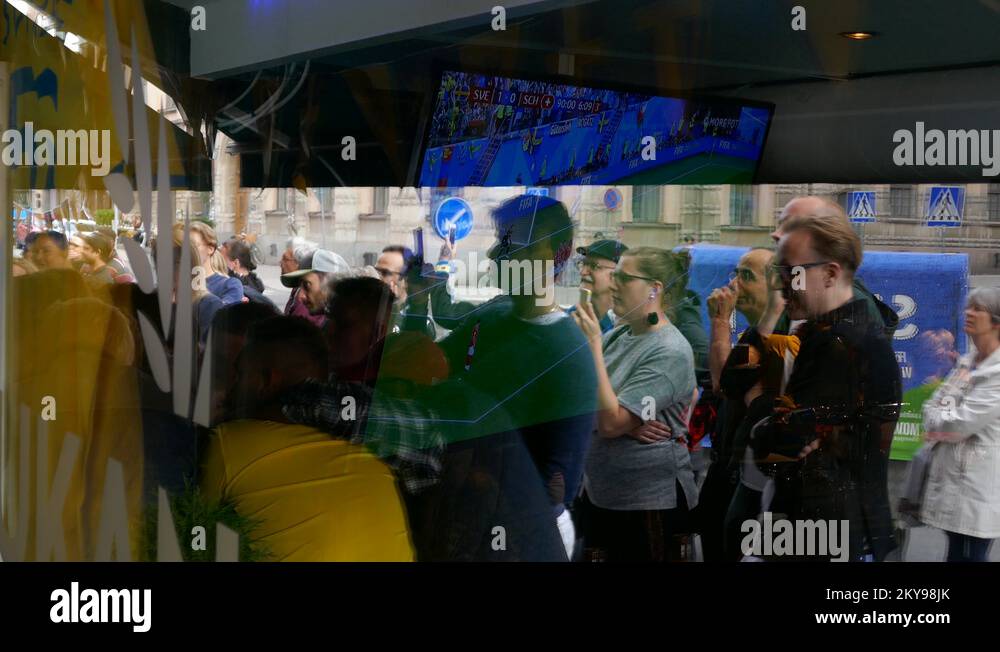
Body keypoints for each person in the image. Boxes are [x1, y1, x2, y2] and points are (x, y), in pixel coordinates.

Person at [747, 214, 902, 562]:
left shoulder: (840, 343)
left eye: (792, 272)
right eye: (779, 272)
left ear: (830, 274)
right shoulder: (832, 331)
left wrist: (763, 424)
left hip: (819, 530)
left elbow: (776, 448)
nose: (782, 283)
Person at [200, 316, 415, 561]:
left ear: (267, 381)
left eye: (240, 375)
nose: (232, 388)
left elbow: (198, 530)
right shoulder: (370, 437)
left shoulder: (229, 442)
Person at [573, 246, 698, 562]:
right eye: (613, 276)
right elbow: (580, 402)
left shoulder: (669, 350)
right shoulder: (621, 334)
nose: (613, 284)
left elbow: (611, 422)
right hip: (604, 496)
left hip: (646, 506)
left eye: (623, 278)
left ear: (654, 289)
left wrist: (592, 347)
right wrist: (627, 425)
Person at [698, 247, 774, 561]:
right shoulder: (753, 334)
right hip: (727, 468)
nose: (734, 285)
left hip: (754, 484)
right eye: (735, 274)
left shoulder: (781, 338)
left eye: (747, 276)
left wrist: (719, 322)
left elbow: (725, 385)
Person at [920, 287, 1000, 562]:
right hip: (954, 485)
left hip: (975, 489)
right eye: (969, 306)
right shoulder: (967, 363)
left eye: (978, 309)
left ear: (996, 322)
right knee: (957, 553)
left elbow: (957, 427)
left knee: (969, 556)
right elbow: (930, 409)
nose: (968, 312)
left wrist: (940, 418)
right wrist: (940, 418)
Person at [376, 244, 437, 338]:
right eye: (377, 271)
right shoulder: (370, 312)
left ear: (405, 280)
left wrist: (418, 303)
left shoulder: (420, 321)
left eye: (385, 273)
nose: (377, 277)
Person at [279, 248, 351, 323]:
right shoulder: (334, 325)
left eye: (306, 285)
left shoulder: (354, 329)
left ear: (331, 283)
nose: (301, 296)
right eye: (299, 287)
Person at [180, 221, 244, 305]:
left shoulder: (230, 285)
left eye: (193, 245)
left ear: (210, 249)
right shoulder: (178, 283)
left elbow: (220, 315)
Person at [574, 239, 627, 333]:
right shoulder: (575, 314)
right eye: (583, 264)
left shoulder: (624, 328)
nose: (582, 272)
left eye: (594, 266)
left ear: (617, 275)